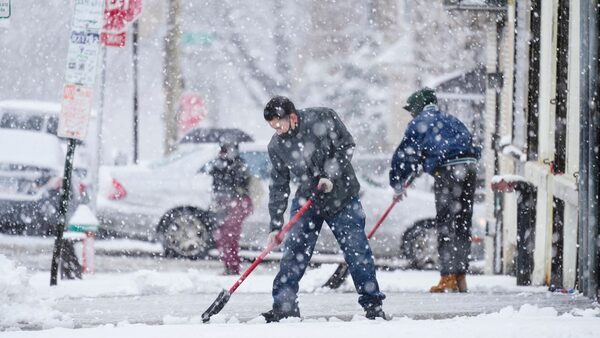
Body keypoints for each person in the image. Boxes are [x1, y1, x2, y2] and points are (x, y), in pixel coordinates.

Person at [261, 96, 387, 322]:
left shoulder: (322, 117)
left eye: (279, 123)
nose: (277, 129)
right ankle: (284, 307)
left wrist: (330, 175)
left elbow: (346, 145)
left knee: (356, 251)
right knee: (294, 252)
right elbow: (278, 185)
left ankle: (373, 305)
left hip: (341, 196)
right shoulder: (277, 146)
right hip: (308, 199)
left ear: (292, 116)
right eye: (272, 126)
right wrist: (275, 225)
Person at [389, 88, 481, 293]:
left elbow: (405, 155)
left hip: (449, 173)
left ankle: (447, 277)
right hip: (469, 169)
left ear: (418, 108)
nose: (411, 114)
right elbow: (466, 146)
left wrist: (398, 182)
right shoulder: (452, 120)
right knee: (462, 223)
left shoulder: (419, 123)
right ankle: (460, 275)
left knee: (446, 224)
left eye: (412, 110)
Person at [209, 142, 253, 275]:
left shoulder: (239, 165)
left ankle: (233, 267)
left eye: (225, 150)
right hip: (223, 203)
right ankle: (228, 265)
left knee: (230, 235)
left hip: (237, 202)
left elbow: (240, 185)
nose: (222, 153)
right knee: (221, 235)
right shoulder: (218, 165)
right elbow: (216, 185)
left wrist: (228, 169)